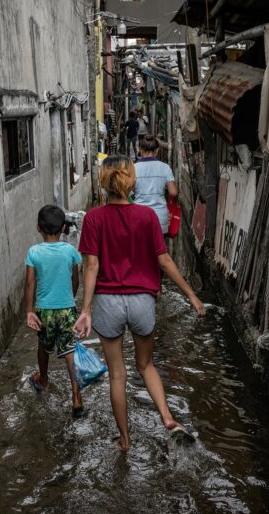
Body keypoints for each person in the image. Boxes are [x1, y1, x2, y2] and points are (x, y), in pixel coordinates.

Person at [74, 155, 205, 451]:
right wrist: (192, 295)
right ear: (131, 181)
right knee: (146, 365)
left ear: (104, 182)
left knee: (117, 375)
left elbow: (91, 267)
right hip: (143, 301)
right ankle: (169, 418)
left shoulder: (94, 218)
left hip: (107, 302)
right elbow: (165, 261)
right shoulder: (147, 217)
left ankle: (125, 440)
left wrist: (85, 310)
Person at [25, 205, 85, 418]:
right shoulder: (71, 251)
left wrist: (29, 311)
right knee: (70, 351)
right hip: (67, 309)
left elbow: (30, 283)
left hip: (45, 311)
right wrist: (71, 298)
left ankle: (43, 378)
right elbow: (76, 280)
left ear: (38, 228)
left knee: (43, 346)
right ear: (63, 229)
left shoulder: (34, 252)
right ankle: (76, 395)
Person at [133, 135, 177, 233]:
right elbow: (173, 192)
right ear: (157, 150)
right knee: (159, 247)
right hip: (160, 218)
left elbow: (127, 192)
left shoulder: (133, 168)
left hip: (138, 217)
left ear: (140, 150)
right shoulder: (165, 168)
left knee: (140, 247)